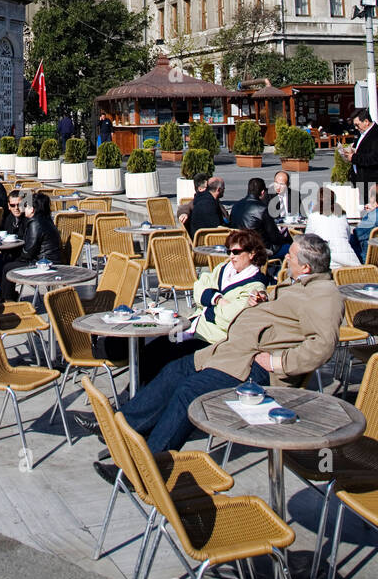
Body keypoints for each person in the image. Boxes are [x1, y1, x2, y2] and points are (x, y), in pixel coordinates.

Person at [76, 235, 342, 455]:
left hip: (254, 367)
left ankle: (150, 463)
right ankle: (121, 429)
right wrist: (265, 297)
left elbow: (323, 345)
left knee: (188, 391)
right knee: (173, 371)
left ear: (306, 268)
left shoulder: (324, 295)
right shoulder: (299, 284)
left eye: (291, 257)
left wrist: (276, 362)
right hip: (231, 352)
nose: (286, 258)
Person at [131, 229, 269, 387]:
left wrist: (208, 303)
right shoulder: (224, 269)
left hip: (213, 340)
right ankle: (134, 395)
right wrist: (217, 299)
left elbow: (230, 319)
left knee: (167, 361)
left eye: (236, 252)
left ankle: (147, 398)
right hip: (194, 328)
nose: (231, 256)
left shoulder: (256, 286)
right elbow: (199, 285)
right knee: (151, 351)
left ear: (251, 254)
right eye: (229, 251)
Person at [0, 191, 61, 301]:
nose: (22, 209)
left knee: (7, 268)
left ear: (32, 209)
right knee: (7, 263)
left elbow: (28, 252)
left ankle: (8, 301)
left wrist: (18, 258)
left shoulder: (35, 223)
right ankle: (7, 297)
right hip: (49, 260)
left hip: (44, 265)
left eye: (26, 206)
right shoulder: (44, 219)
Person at [229, 177, 289, 259]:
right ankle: (280, 271)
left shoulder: (236, 206)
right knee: (290, 248)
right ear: (263, 192)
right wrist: (284, 238)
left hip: (240, 246)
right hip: (259, 248)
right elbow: (274, 236)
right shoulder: (263, 209)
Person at [304, 187, 360, 269]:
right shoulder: (342, 215)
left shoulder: (313, 216)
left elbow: (307, 240)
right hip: (349, 260)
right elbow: (347, 237)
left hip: (328, 263)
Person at [346, 108, 378, 194]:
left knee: (374, 207)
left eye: (357, 125)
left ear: (366, 121)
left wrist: (354, 157)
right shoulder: (362, 133)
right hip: (362, 181)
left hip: (376, 184)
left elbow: (375, 158)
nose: (356, 128)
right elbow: (361, 149)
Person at [184, 174, 228, 242]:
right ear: (218, 190)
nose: (224, 191)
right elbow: (216, 230)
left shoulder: (203, 198)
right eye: (223, 189)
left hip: (203, 238)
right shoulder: (207, 205)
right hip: (206, 243)